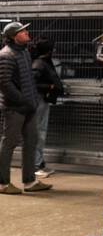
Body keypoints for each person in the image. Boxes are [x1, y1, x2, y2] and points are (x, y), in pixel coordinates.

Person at [0, 21, 52, 195]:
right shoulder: (6, 55)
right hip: (15, 108)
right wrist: (23, 101)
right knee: (9, 143)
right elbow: (5, 84)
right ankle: (2, 184)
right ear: (15, 36)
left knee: (31, 142)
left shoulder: (24, 53)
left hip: (29, 107)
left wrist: (31, 102)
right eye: (23, 31)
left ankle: (29, 181)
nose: (27, 33)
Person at [30, 37, 64, 178]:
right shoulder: (39, 64)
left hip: (43, 100)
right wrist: (49, 86)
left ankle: (39, 163)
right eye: (53, 48)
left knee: (40, 132)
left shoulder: (43, 62)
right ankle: (36, 165)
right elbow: (32, 83)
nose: (54, 50)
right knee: (38, 132)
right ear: (49, 50)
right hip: (39, 100)